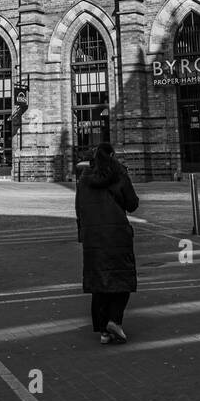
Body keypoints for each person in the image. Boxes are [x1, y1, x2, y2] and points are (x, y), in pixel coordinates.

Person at [75, 140, 139, 345]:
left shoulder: (84, 179)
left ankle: (104, 330)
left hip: (93, 237)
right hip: (117, 235)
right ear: (112, 156)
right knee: (122, 279)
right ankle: (115, 322)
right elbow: (132, 204)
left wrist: (82, 234)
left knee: (100, 282)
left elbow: (79, 208)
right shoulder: (119, 174)